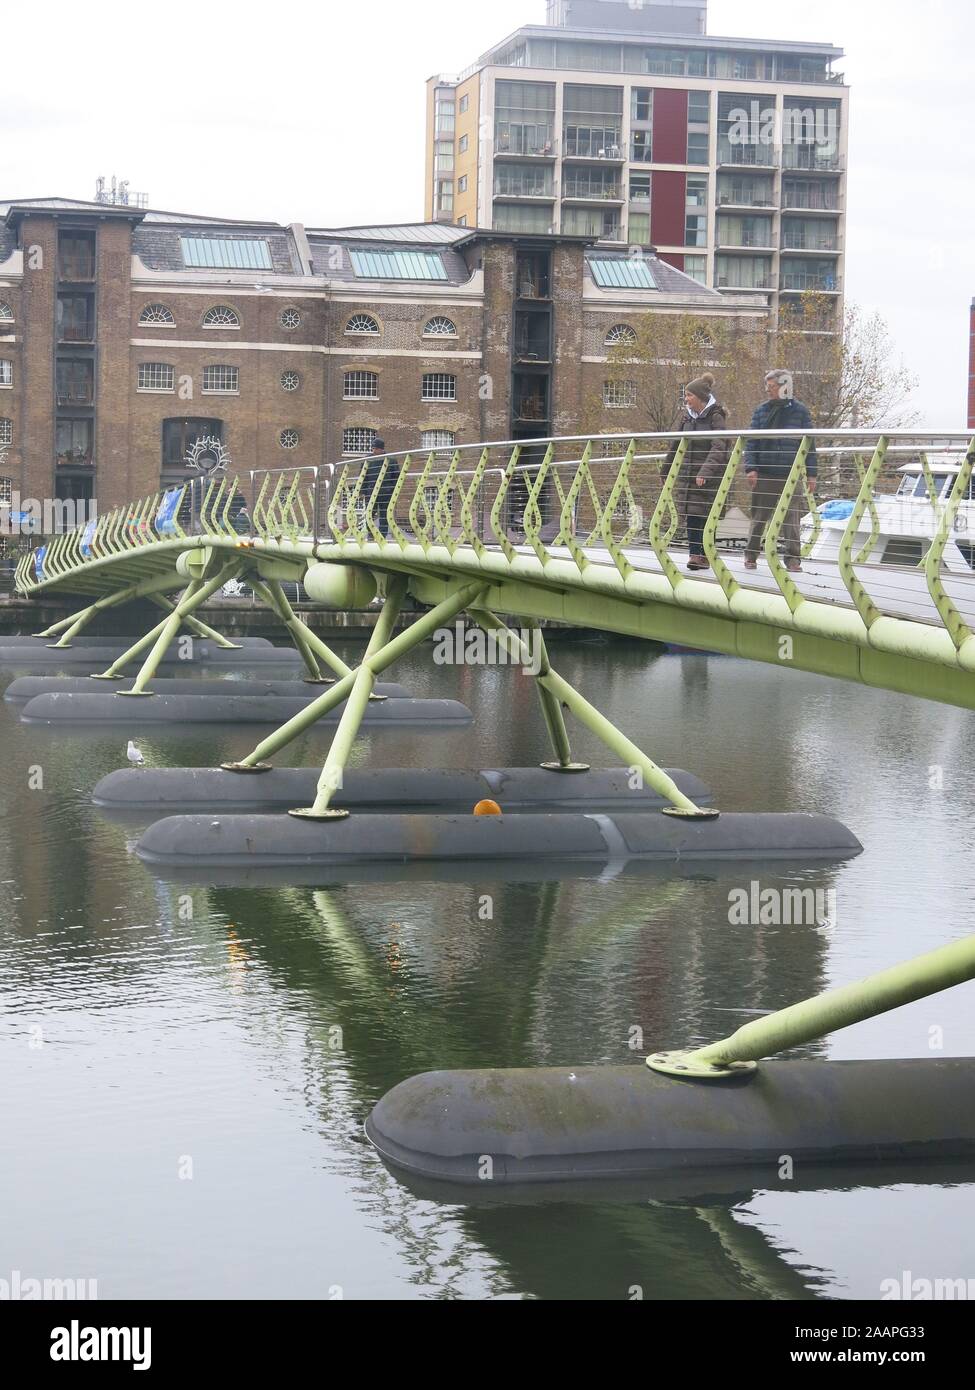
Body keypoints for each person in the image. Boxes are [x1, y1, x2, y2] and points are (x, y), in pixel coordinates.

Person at [743, 370, 818, 573]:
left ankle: (793, 560)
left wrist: (812, 473)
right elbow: (751, 442)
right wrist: (751, 468)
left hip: (791, 474)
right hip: (765, 472)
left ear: (785, 386)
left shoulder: (800, 411)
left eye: (772, 387)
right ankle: (751, 555)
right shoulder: (761, 411)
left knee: (791, 519)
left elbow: (809, 444)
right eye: (767, 386)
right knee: (759, 517)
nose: (768, 390)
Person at [662, 372, 730, 572]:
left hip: (709, 476)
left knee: (707, 515)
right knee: (692, 514)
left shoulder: (716, 416)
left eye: (689, 395)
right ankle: (694, 555)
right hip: (688, 473)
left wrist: (705, 472)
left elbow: (720, 446)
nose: (686, 399)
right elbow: (676, 445)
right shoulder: (687, 418)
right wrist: (665, 470)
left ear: (700, 397)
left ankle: (705, 554)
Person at [361, 438, 399, 538]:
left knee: (384, 514)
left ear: (381, 449)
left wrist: (391, 489)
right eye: (373, 448)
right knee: (369, 513)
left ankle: (383, 535)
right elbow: (363, 476)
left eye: (376, 448)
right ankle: (370, 533)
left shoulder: (391, 459)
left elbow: (396, 476)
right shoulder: (367, 460)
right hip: (371, 491)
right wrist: (363, 491)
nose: (374, 451)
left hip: (385, 492)